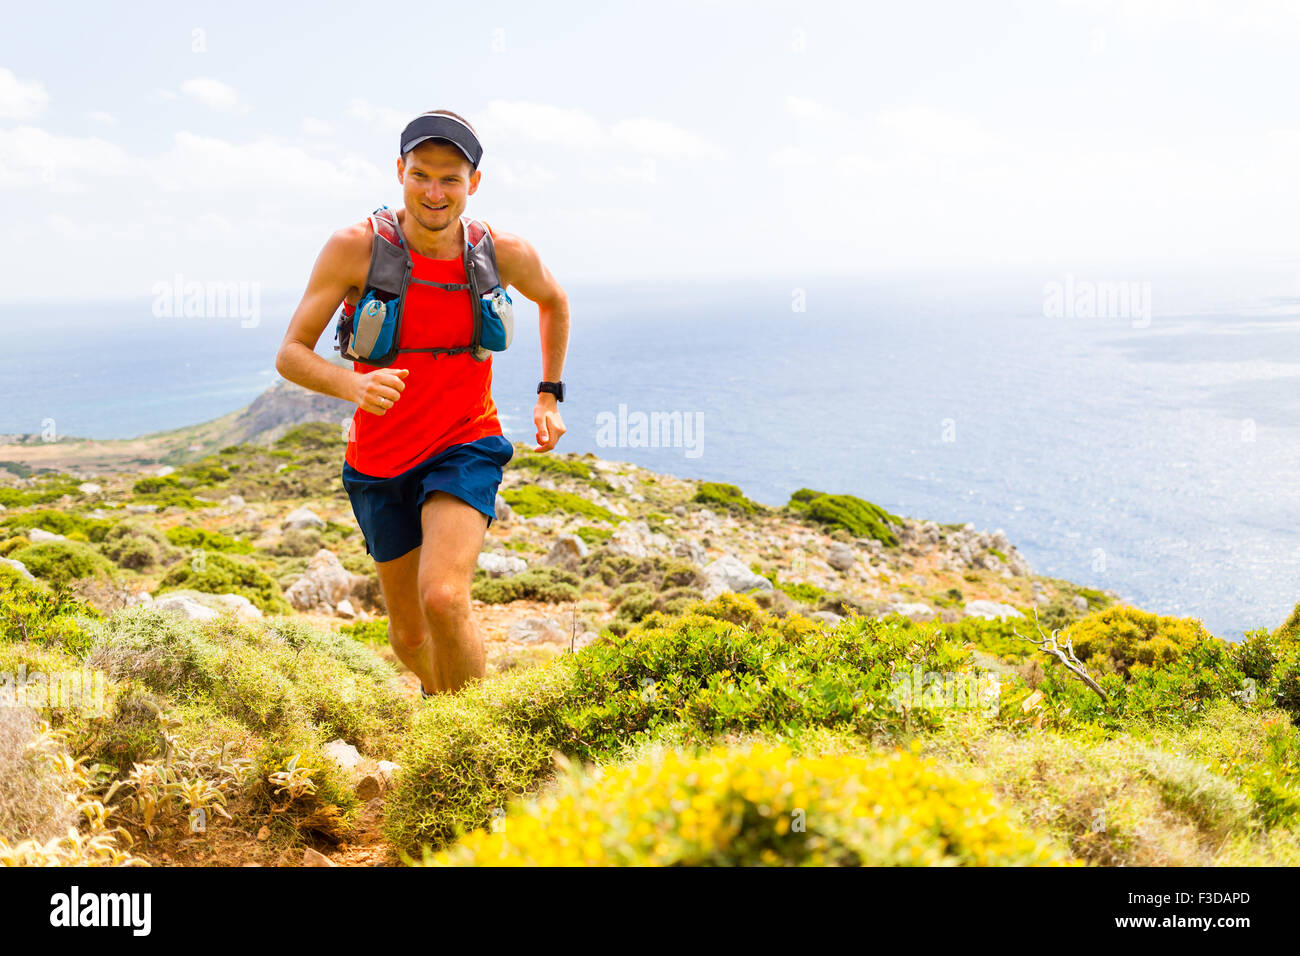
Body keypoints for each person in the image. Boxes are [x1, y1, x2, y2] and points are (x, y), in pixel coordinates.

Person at [275, 108, 569, 696]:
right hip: (379, 461)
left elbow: (554, 302)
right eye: (421, 175)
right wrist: (351, 385)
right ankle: (444, 716)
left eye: (450, 178)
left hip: (465, 441)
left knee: (443, 596)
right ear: (400, 173)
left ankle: (477, 746)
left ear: (473, 183)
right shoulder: (354, 248)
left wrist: (548, 394)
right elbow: (291, 353)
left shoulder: (500, 252)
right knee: (408, 637)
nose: (435, 192)